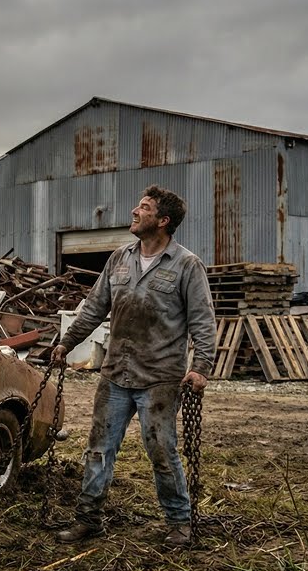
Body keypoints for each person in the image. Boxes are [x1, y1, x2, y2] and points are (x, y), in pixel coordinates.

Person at [51, 184, 216, 547]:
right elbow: (94, 307)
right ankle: (88, 519)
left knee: (160, 451)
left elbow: (203, 321)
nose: (134, 212)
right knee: (98, 448)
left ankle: (179, 523)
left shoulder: (187, 265)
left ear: (163, 220)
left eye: (143, 207)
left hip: (160, 378)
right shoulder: (120, 258)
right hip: (115, 374)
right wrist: (66, 342)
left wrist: (201, 366)